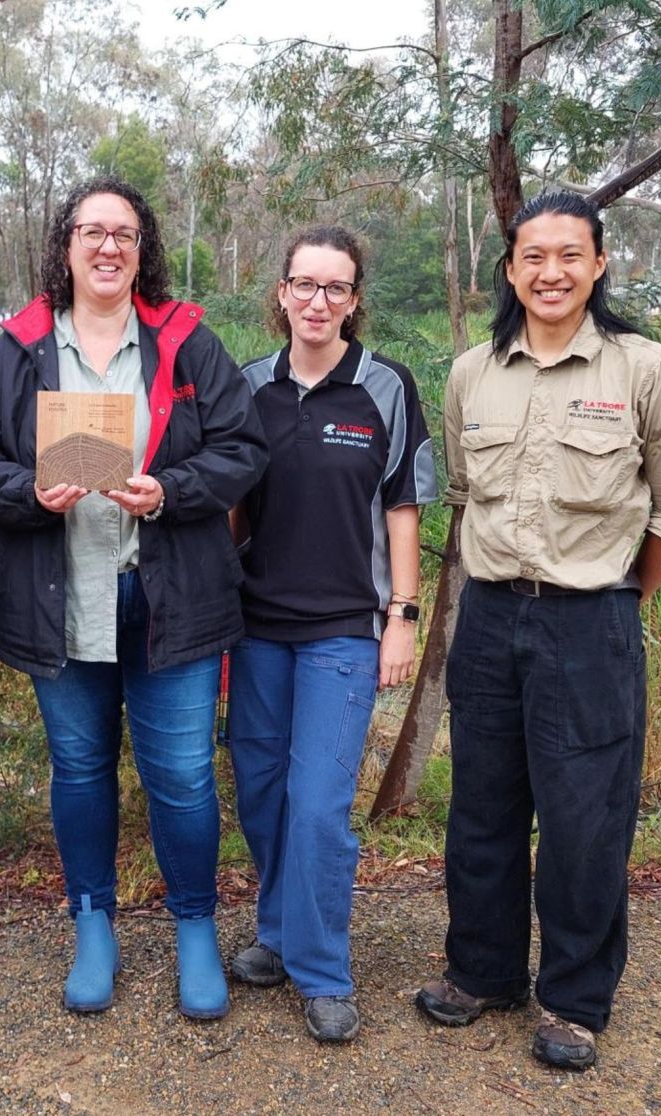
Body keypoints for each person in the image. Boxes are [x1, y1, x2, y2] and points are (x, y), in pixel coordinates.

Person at [0, 177, 267, 1019]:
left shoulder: (185, 341)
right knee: (80, 771)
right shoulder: (18, 348)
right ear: (67, 246)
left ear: (142, 248)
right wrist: (27, 492)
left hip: (171, 600)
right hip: (64, 600)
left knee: (185, 779)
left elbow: (243, 447)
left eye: (124, 233)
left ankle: (195, 926)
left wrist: (172, 490)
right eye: (92, 232)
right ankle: (94, 923)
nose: (108, 247)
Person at [415, 191, 661, 1070]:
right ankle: (481, 973)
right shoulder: (472, 371)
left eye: (569, 256)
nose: (550, 272)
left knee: (586, 819)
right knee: (482, 807)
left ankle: (575, 1001)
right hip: (492, 614)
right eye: (532, 257)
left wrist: (620, 596)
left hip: (591, 623)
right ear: (509, 268)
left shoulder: (644, 369)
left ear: (598, 264)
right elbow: (465, 494)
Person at [228, 226, 437, 1042]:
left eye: (335, 288)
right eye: (303, 285)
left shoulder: (385, 388)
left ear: (354, 300)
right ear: (280, 293)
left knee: (318, 806)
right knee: (262, 795)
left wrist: (403, 617)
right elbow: (231, 504)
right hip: (255, 629)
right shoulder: (249, 386)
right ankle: (277, 934)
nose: (318, 302)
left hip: (345, 632)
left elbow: (403, 510)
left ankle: (322, 971)